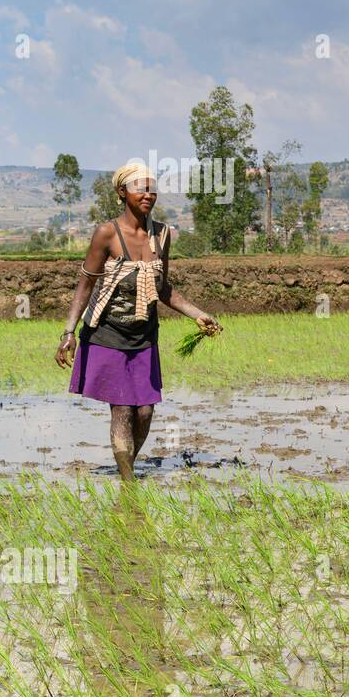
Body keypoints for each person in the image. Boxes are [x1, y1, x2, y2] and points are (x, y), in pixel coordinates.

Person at [55, 161, 221, 481]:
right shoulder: (107, 234)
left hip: (144, 333)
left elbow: (162, 288)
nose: (148, 194)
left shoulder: (162, 235)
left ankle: (126, 467)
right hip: (106, 332)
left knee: (145, 410)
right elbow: (85, 284)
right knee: (122, 408)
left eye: (152, 188)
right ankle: (129, 484)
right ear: (122, 192)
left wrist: (198, 314)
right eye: (139, 188)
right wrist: (69, 331)